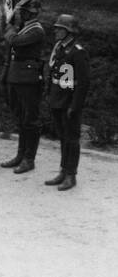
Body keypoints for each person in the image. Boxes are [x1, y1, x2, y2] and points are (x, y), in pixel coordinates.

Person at [0, 0, 47, 174]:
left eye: (25, 12)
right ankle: (21, 154)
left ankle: (29, 159)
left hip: (29, 78)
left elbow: (15, 42)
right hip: (16, 75)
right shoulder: (22, 28)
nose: (22, 14)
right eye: (22, 11)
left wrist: (9, 27)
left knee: (30, 120)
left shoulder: (36, 30)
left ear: (33, 13)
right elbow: (10, 47)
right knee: (20, 118)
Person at [44, 13, 89, 191]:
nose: (56, 31)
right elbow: (55, 75)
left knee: (72, 139)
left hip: (69, 102)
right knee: (63, 138)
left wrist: (75, 106)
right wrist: (50, 96)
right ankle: (63, 170)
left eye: (60, 29)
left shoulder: (78, 52)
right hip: (57, 99)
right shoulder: (60, 48)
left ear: (69, 32)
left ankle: (71, 175)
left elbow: (83, 83)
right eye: (56, 28)